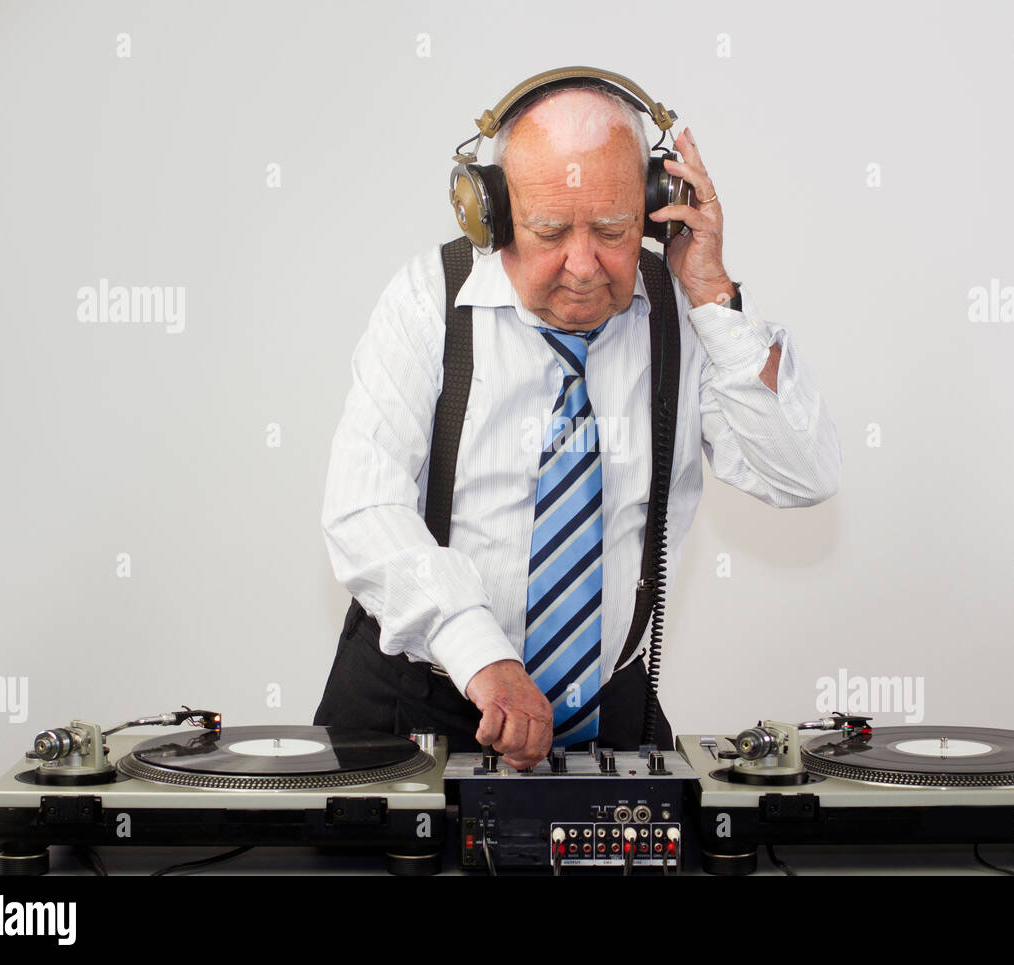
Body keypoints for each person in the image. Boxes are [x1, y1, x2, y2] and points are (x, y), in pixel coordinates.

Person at [313, 76, 842, 770]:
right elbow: (363, 509)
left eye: (614, 231)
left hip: (609, 716)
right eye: (551, 232)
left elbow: (801, 473)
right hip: (417, 709)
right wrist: (484, 656)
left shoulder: (684, 317)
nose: (584, 266)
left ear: (658, 208)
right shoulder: (426, 302)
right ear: (494, 214)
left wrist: (714, 294)